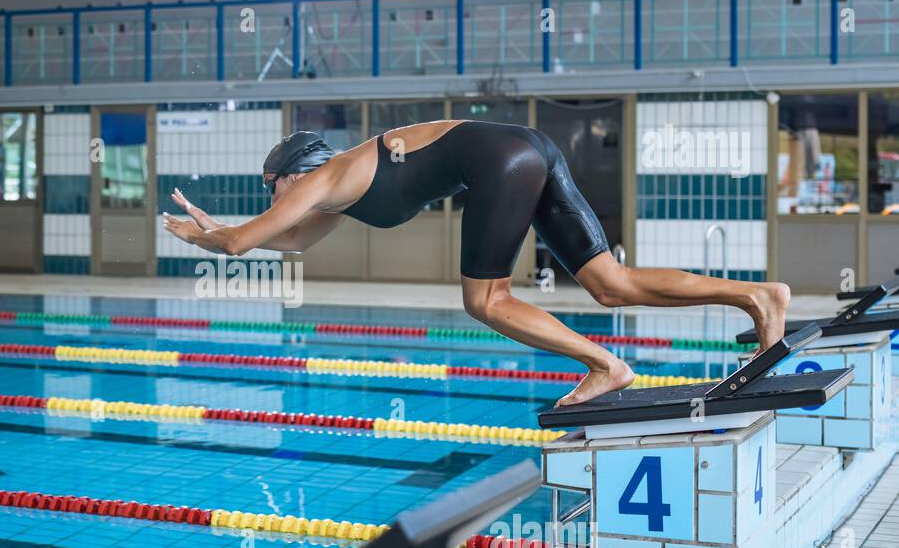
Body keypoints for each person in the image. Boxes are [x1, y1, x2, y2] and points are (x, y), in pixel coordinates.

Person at [162, 120, 789, 406]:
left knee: (483, 299)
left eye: (273, 188)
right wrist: (222, 230)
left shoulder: (317, 178)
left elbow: (248, 243)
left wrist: (206, 236)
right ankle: (759, 297)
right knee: (609, 284)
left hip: (502, 160)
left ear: (287, 175)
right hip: (526, 148)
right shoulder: (335, 186)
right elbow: (289, 242)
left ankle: (606, 365)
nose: (276, 201)